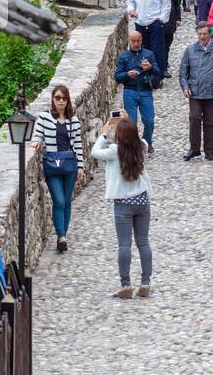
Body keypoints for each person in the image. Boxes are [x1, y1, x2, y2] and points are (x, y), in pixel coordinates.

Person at [91, 116, 153, 299]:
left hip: (123, 205)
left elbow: (95, 152)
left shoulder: (113, 151)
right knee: (143, 242)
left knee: (124, 244)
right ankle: (145, 282)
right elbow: (142, 139)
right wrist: (128, 121)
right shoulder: (141, 147)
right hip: (142, 201)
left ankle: (126, 285)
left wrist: (104, 133)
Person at [33, 83, 84, 253]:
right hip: (52, 165)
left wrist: (80, 166)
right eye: (57, 98)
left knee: (67, 201)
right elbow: (38, 134)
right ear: (53, 100)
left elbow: (77, 144)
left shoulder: (73, 120)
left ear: (68, 100)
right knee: (59, 201)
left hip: (70, 165)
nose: (61, 101)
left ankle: (63, 236)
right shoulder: (44, 117)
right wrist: (36, 142)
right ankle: (61, 235)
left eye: (64, 98)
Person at [178, 20, 213, 161]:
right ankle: (194, 148)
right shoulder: (190, 50)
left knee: (210, 122)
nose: (202, 37)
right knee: (194, 118)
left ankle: (209, 150)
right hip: (195, 92)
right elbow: (183, 72)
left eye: (204, 34)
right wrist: (185, 87)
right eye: (199, 34)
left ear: (210, 34)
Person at [115, 28, 160, 154]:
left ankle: (146, 143)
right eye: (133, 41)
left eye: (138, 41)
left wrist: (150, 68)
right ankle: (132, 147)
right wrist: (128, 75)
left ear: (141, 41)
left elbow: (158, 72)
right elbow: (117, 77)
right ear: (129, 41)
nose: (135, 44)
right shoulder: (124, 56)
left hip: (146, 91)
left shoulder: (149, 54)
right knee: (131, 123)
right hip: (130, 91)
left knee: (149, 121)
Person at [127, 0, 171, 75]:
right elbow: (131, 1)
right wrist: (131, 10)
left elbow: (166, 3)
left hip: (155, 22)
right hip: (140, 23)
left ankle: (158, 75)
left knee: (158, 51)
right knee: (142, 51)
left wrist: (161, 19)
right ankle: (145, 74)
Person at [154, 0, 181, 77]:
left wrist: (178, 18)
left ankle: (164, 66)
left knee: (167, 44)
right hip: (156, 18)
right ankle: (159, 66)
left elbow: (176, 2)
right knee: (158, 44)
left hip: (170, 19)